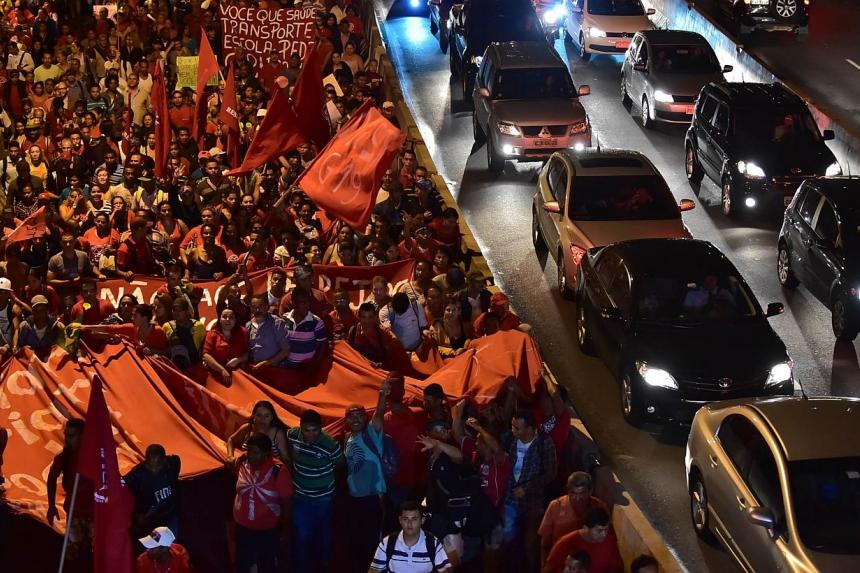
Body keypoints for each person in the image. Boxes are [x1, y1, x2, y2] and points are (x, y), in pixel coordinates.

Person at [287, 409, 343, 573]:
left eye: (315, 430)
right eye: (306, 430)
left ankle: (324, 567)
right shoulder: (292, 435)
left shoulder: (330, 444)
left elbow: (340, 464)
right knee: (302, 538)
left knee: (324, 539)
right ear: (300, 428)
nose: (311, 434)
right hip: (301, 498)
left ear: (321, 429)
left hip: (324, 499)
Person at [344, 379, 390, 573]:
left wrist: (383, 395)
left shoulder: (371, 434)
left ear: (365, 418)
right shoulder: (346, 438)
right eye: (351, 416)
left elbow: (379, 413)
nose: (355, 419)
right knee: (356, 544)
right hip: (354, 499)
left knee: (373, 545)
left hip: (373, 499)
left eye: (359, 416)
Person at [503, 410, 558, 572]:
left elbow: (551, 473)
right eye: (512, 426)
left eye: (517, 428)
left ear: (530, 428)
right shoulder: (508, 439)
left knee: (530, 543)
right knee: (507, 541)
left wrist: (526, 488)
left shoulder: (544, 444)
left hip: (533, 501)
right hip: (510, 499)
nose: (513, 430)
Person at [232, 432, 294, 573]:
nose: (250, 455)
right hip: (242, 528)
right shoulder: (243, 462)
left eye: (255, 452)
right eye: (248, 451)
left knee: (266, 565)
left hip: (267, 531)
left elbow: (287, 502)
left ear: (266, 453)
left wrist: (285, 528)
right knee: (242, 564)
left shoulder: (278, 471)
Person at [46, 419, 94, 562]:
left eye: (71, 436)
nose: (67, 439)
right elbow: (51, 478)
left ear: (83, 436)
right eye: (66, 435)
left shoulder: (95, 455)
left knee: (98, 552)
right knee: (73, 552)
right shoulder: (63, 457)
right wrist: (52, 505)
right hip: (74, 512)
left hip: (95, 512)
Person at [539, 472, 609, 563]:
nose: (577, 498)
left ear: (590, 491)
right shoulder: (555, 506)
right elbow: (545, 544)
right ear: (568, 491)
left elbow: (606, 538)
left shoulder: (599, 506)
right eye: (573, 493)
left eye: (582, 493)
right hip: (562, 561)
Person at [369, 500, 452, 572]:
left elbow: (445, 570)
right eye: (405, 519)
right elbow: (374, 570)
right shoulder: (387, 542)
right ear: (400, 520)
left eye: (414, 519)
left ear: (422, 521)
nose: (409, 524)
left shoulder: (433, 543)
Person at [124, 444, 182, 540]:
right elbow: (124, 491)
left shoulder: (172, 464)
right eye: (151, 465)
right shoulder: (136, 475)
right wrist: (138, 515)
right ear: (146, 461)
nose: (154, 469)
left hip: (170, 514)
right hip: (151, 519)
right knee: (154, 544)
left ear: (164, 460)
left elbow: (176, 460)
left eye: (158, 464)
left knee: (170, 541)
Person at [543, 508, 622, 573]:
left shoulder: (610, 543)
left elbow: (617, 568)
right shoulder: (565, 542)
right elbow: (549, 570)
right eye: (599, 530)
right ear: (585, 528)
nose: (604, 534)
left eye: (606, 529)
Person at [282, 289, 329, 368]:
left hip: (307, 370)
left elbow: (322, 346)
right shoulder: (283, 319)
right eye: (303, 303)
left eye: (308, 302)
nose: (307, 306)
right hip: (287, 369)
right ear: (294, 303)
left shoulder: (317, 322)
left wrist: (315, 364)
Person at [202, 307, 249, 384]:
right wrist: (222, 370)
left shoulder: (243, 333)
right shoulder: (212, 334)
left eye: (231, 317)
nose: (228, 319)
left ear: (235, 320)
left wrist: (238, 360)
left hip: (239, 376)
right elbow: (206, 355)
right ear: (219, 319)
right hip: (216, 376)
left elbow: (248, 353)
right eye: (224, 317)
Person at [247, 294, 292, 372]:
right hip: (256, 370)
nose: (257, 310)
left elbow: (286, 350)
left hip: (275, 370)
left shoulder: (277, 324)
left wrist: (267, 363)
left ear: (267, 307)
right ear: (250, 308)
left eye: (261, 306)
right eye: (254, 307)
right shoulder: (248, 326)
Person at [162, 297, 206, 372]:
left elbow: (204, 349)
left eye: (180, 310)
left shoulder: (199, 326)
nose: (176, 312)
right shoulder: (166, 326)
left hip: (194, 371)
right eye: (174, 310)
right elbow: (163, 349)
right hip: (174, 371)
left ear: (186, 312)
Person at [0, 278, 24, 355]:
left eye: (1, 292)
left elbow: (16, 329)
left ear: (8, 293)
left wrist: (14, 346)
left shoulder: (14, 308)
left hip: (8, 347)